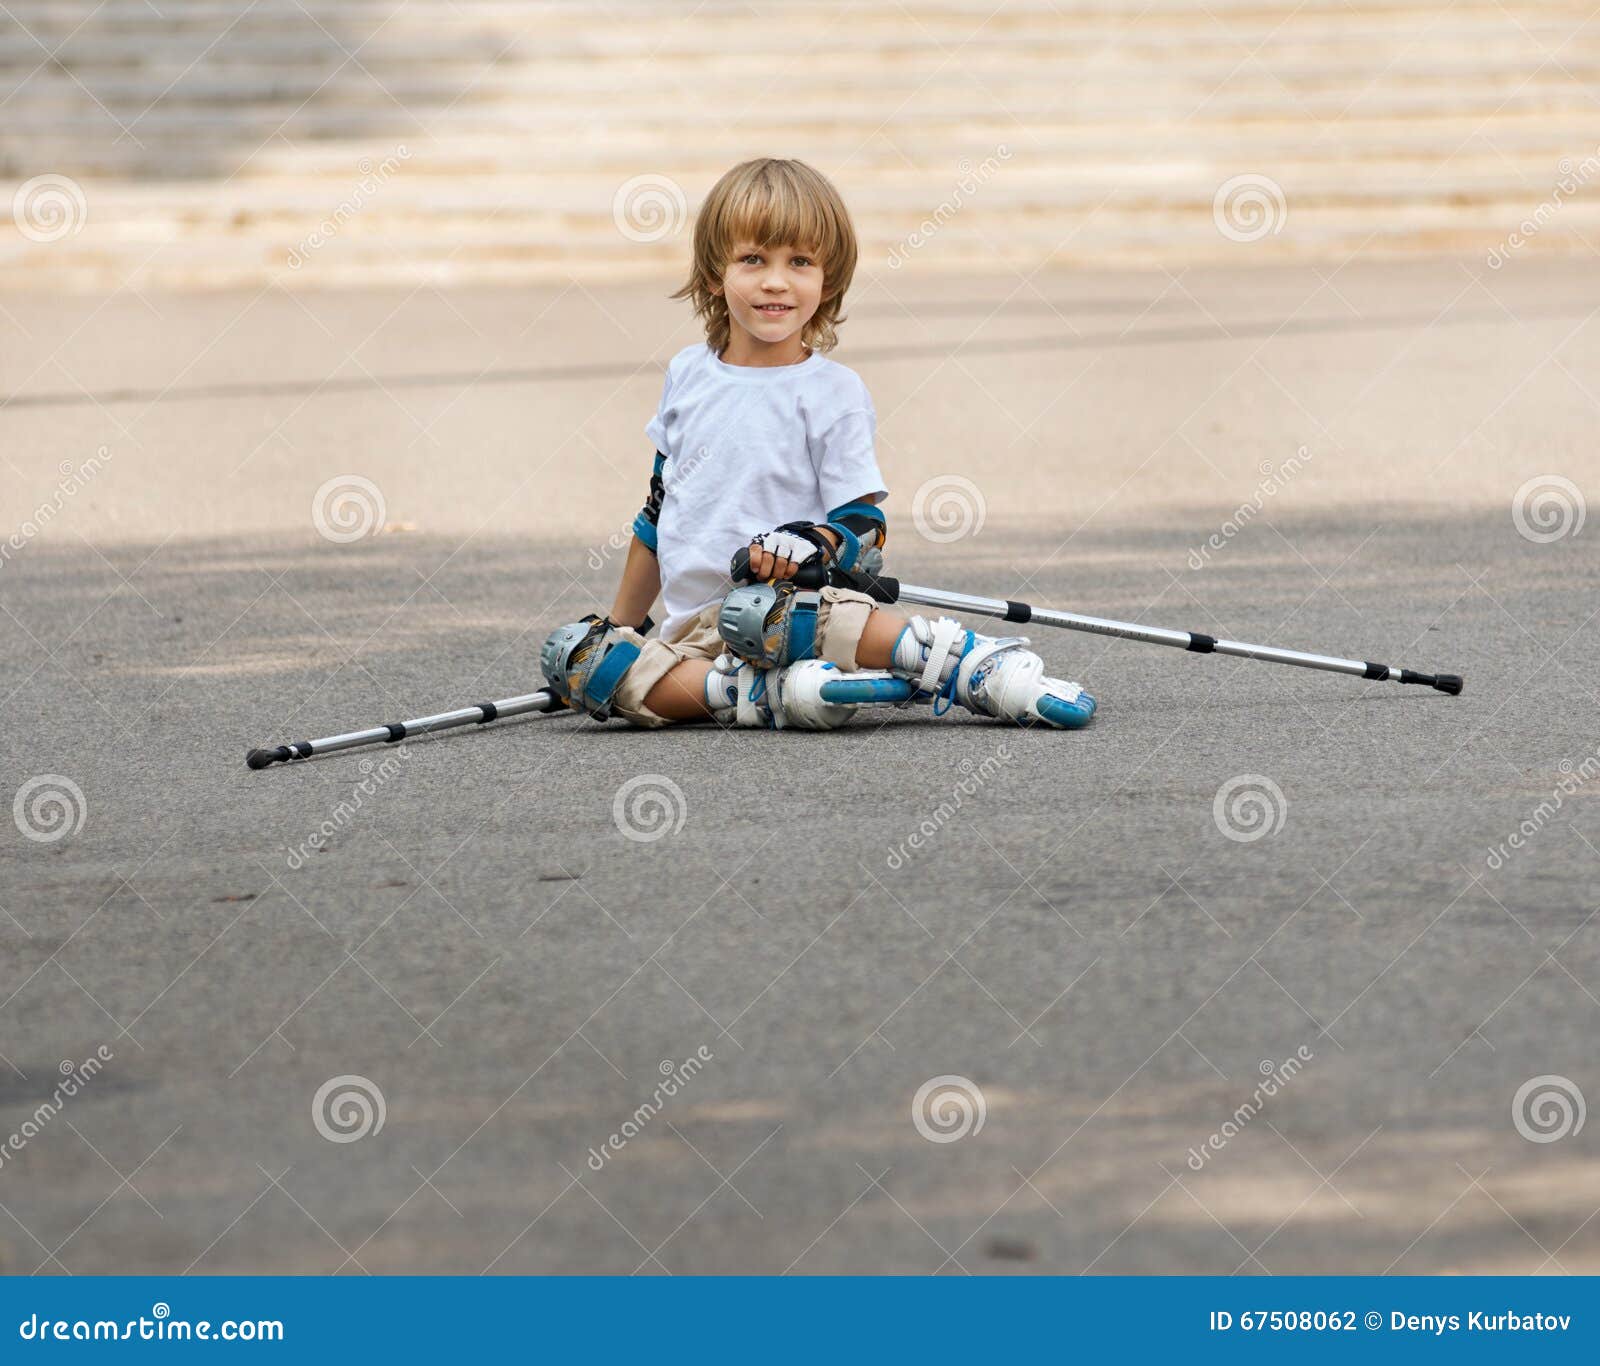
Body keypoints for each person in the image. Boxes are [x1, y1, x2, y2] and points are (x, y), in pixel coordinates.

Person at [540, 158, 1094, 732]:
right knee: (594, 671)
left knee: (807, 619)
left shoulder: (832, 392)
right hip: (696, 637)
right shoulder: (686, 374)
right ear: (713, 273)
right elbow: (658, 514)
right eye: (752, 259)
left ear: (827, 280)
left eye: (799, 262)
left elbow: (864, 525)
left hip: (791, 611)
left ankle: (958, 662)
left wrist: (807, 543)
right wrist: (619, 629)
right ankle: (753, 691)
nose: (775, 280)